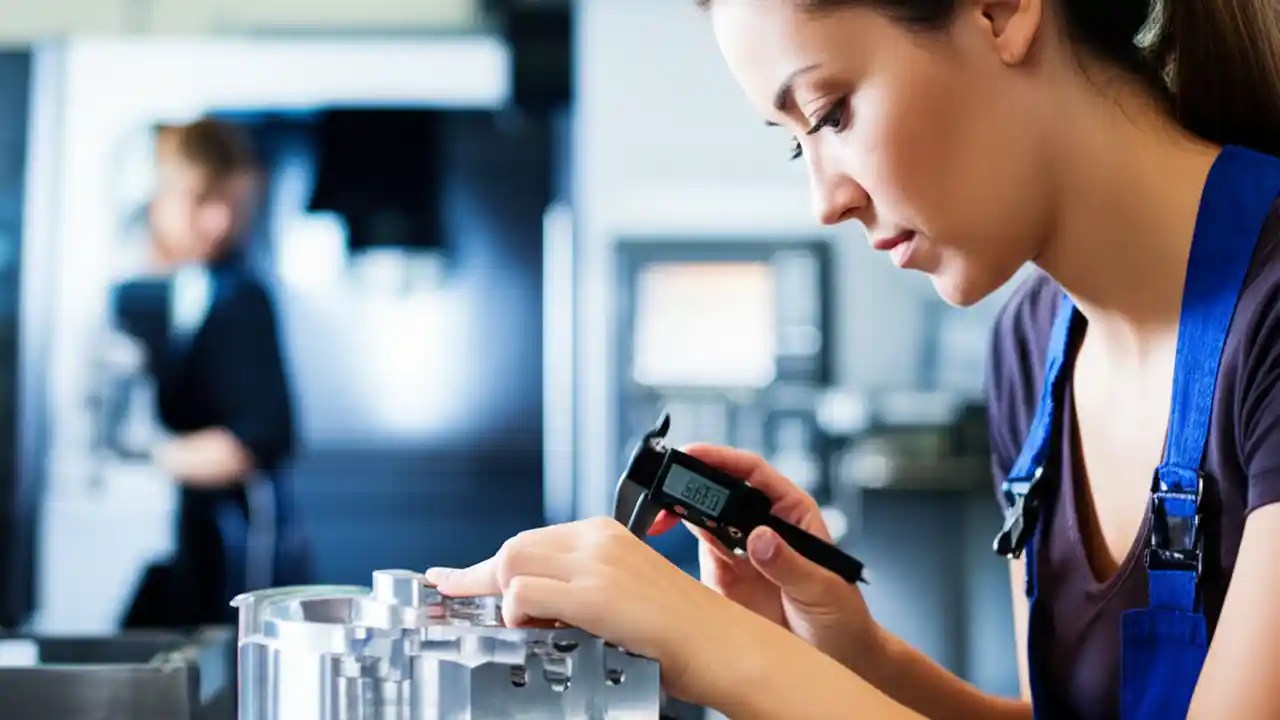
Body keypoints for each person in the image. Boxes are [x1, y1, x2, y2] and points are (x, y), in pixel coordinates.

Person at [424, 1, 1280, 718]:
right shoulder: (1034, 351)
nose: (827, 199)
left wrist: (719, 651)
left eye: (831, 112)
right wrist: (842, 654)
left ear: (1001, 10)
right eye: (800, 142)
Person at [118, 118, 308, 628]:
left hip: (225, 555)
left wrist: (139, 460)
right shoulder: (153, 289)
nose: (219, 222)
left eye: (234, 204)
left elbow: (261, 438)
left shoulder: (239, 296)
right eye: (202, 200)